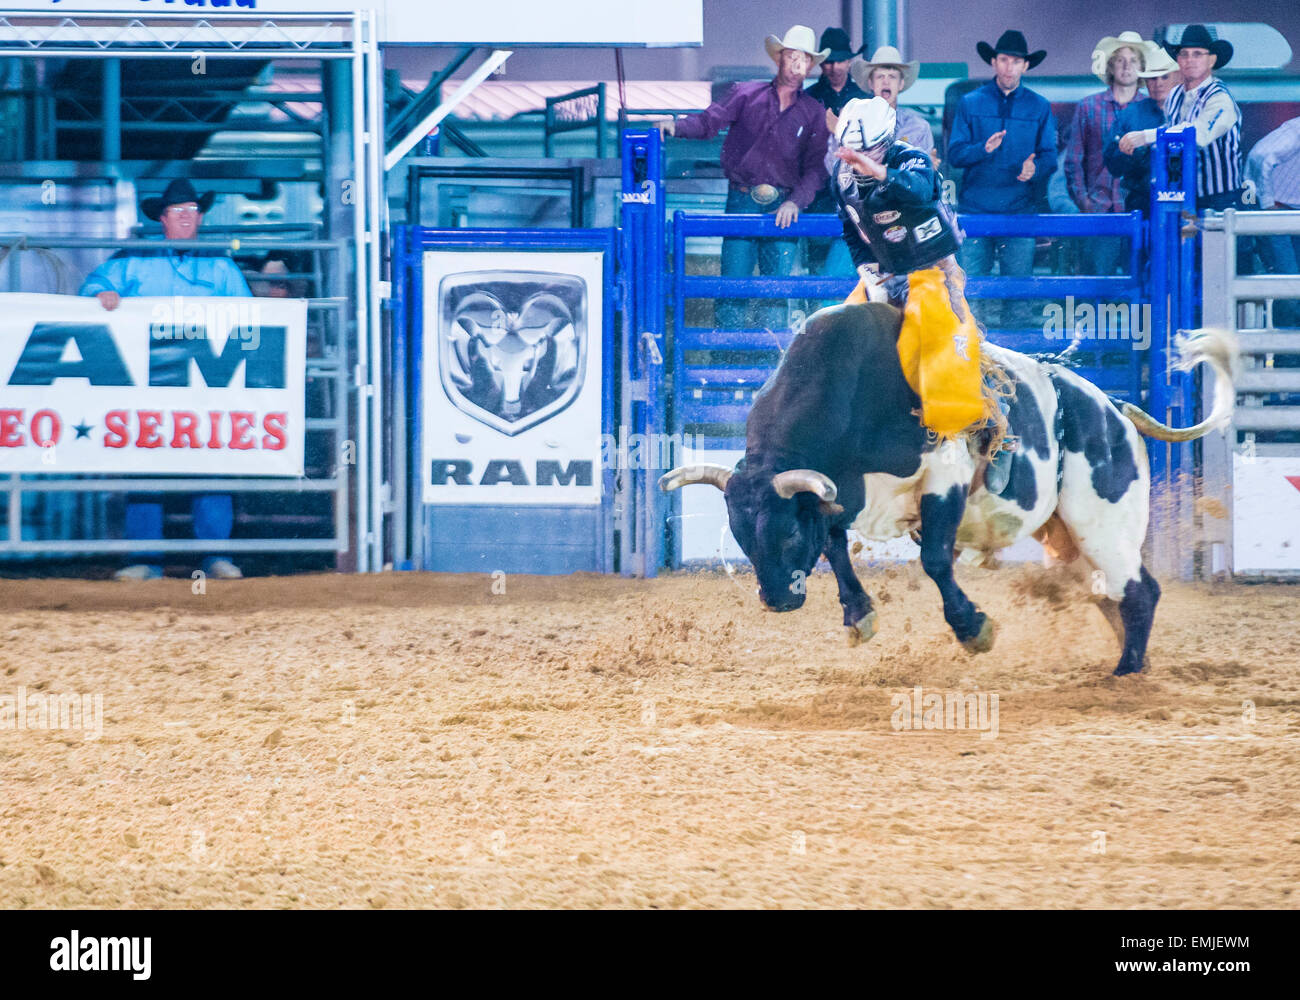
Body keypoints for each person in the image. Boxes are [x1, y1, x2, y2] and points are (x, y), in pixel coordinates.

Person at [79, 177, 252, 581]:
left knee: (212, 460)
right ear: (163, 218)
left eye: (193, 211)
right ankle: (146, 559)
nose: (187, 219)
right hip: (149, 384)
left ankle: (214, 557)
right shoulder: (133, 261)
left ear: (201, 216)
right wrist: (101, 294)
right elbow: (95, 283)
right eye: (179, 212)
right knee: (145, 461)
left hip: (203, 385)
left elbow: (248, 315)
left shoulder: (220, 265)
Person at [830, 97, 995, 442]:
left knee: (943, 332)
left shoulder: (912, 159)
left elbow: (920, 190)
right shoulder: (841, 178)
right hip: (887, 270)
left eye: (870, 151)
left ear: (887, 142)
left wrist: (879, 171)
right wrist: (865, 268)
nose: (859, 161)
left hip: (934, 267)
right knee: (845, 327)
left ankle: (991, 422)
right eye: (853, 151)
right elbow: (850, 225)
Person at [659, 25, 830, 330]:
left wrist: (795, 202)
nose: (796, 65)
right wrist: (676, 126)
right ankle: (724, 365)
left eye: (803, 60)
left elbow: (816, 168)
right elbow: (709, 122)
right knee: (733, 282)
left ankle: (770, 364)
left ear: (810, 66)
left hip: (783, 206)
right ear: (779, 59)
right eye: (791, 57)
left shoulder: (813, 112)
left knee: (775, 290)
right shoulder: (745, 94)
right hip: (742, 197)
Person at [947, 30, 1058, 329]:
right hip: (975, 211)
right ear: (994, 63)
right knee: (971, 297)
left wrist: (1035, 170)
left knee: (1018, 297)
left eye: (1016, 61)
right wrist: (982, 149)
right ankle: (971, 368)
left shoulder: (1039, 107)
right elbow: (955, 154)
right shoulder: (970, 103)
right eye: (1004, 60)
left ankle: (1015, 369)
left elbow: (1050, 156)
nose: (1009, 67)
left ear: (1025, 66)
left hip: (1019, 212)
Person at [1118, 24, 1244, 212]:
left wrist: (1146, 136)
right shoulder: (1176, 95)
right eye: (1184, 54)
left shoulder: (1220, 98)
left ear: (1211, 60)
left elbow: (1197, 135)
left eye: (1197, 54)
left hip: (1222, 199)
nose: (1189, 60)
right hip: (1186, 196)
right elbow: (1174, 129)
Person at [1063, 32, 1155, 275]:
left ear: (1142, 68)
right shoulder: (1088, 106)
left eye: (1133, 60)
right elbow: (1074, 160)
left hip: (1138, 208)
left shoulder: (1150, 108)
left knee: (1138, 280)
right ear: (1110, 66)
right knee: (1096, 285)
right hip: (1099, 208)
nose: (1126, 67)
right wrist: (1083, 200)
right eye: (1120, 60)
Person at [804, 27, 868, 293]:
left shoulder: (864, 100)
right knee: (817, 265)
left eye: (840, 60)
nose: (834, 67)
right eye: (829, 61)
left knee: (855, 265)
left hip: (853, 193)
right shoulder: (807, 98)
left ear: (850, 61)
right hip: (818, 193)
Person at [1104, 45, 1180, 214]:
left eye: (1164, 77)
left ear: (1177, 78)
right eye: (1152, 78)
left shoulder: (1190, 112)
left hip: (1185, 200)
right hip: (1142, 202)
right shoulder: (1129, 116)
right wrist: (1133, 151)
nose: (1158, 83)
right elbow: (1113, 165)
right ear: (1146, 82)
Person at [1244, 116, 1300, 327]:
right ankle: (1288, 353)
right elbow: (1260, 156)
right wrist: (1268, 204)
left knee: (1293, 282)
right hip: (1272, 211)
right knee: (1288, 280)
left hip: (1292, 213)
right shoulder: (1297, 130)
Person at [853, 45, 935, 159]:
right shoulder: (854, 125)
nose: (886, 82)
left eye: (892, 77)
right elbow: (834, 166)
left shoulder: (919, 127)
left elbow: (922, 172)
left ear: (901, 84)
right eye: (880, 76)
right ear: (871, 83)